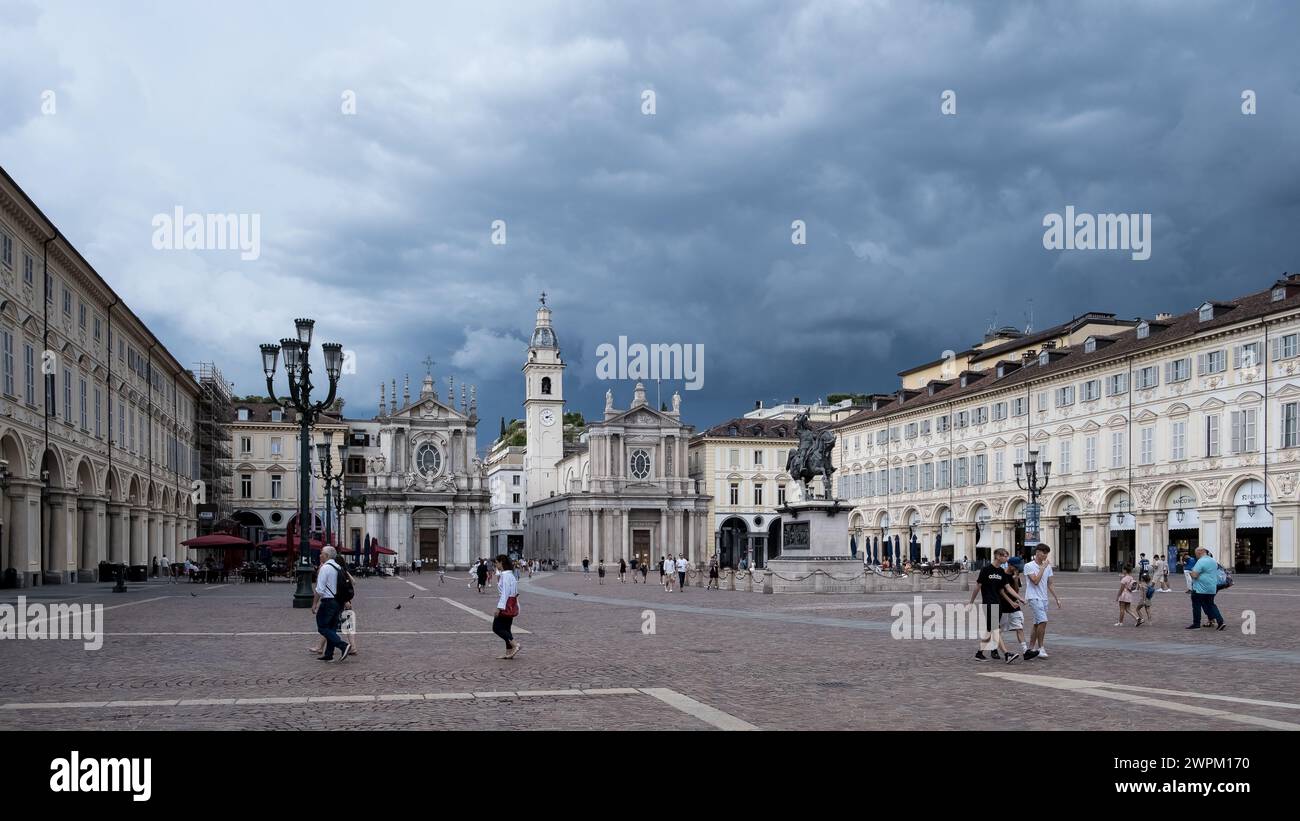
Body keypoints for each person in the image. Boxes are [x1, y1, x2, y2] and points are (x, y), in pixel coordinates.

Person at [970, 548, 1019, 663]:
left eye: (1007, 556)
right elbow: (978, 586)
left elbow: (1006, 588)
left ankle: (979, 653)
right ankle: (1007, 654)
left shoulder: (1001, 571)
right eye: (1005, 556)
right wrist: (971, 602)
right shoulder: (986, 570)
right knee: (995, 629)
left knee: (989, 630)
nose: (1007, 559)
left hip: (998, 603)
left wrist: (1019, 598)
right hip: (988, 603)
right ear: (997, 556)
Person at [311, 547, 351, 662]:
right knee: (331, 628)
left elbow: (320, 589)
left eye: (321, 553)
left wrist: (314, 604)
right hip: (339, 602)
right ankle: (329, 654)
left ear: (327, 556)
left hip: (328, 602)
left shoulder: (325, 568)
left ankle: (343, 645)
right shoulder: (338, 567)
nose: (320, 555)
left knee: (322, 627)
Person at [1022, 545, 1062, 659]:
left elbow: (1050, 584)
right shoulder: (1028, 566)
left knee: (1037, 623)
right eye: (1043, 553)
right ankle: (1041, 648)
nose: (1045, 555)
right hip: (1033, 597)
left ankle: (1030, 648)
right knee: (1043, 621)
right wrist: (1043, 568)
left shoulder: (1047, 567)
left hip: (1044, 598)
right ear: (1037, 553)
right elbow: (1035, 581)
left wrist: (1056, 598)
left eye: (1047, 553)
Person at [1188, 546, 1226, 631]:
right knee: (1211, 605)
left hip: (1200, 588)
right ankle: (1221, 622)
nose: (1195, 556)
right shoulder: (1213, 561)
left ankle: (1196, 624)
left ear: (1199, 552)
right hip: (1211, 588)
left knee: (1196, 606)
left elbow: (1195, 575)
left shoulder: (1201, 561)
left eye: (1196, 554)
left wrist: (1190, 573)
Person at [492, 555, 521, 659]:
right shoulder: (511, 575)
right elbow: (515, 592)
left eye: (496, 562)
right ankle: (509, 652)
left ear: (501, 563)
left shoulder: (504, 576)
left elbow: (505, 593)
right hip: (512, 604)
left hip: (505, 604)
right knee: (506, 629)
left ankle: (514, 644)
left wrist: (499, 608)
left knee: (496, 628)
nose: (495, 564)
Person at [1000, 557, 1028, 655]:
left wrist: (1016, 580)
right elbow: (1002, 591)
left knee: (1019, 626)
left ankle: (1025, 650)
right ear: (1010, 565)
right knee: (998, 629)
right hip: (1002, 604)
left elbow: (1016, 591)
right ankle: (994, 649)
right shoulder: (1002, 574)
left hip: (1014, 604)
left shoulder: (1015, 575)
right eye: (1016, 567)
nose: (1017, 569)